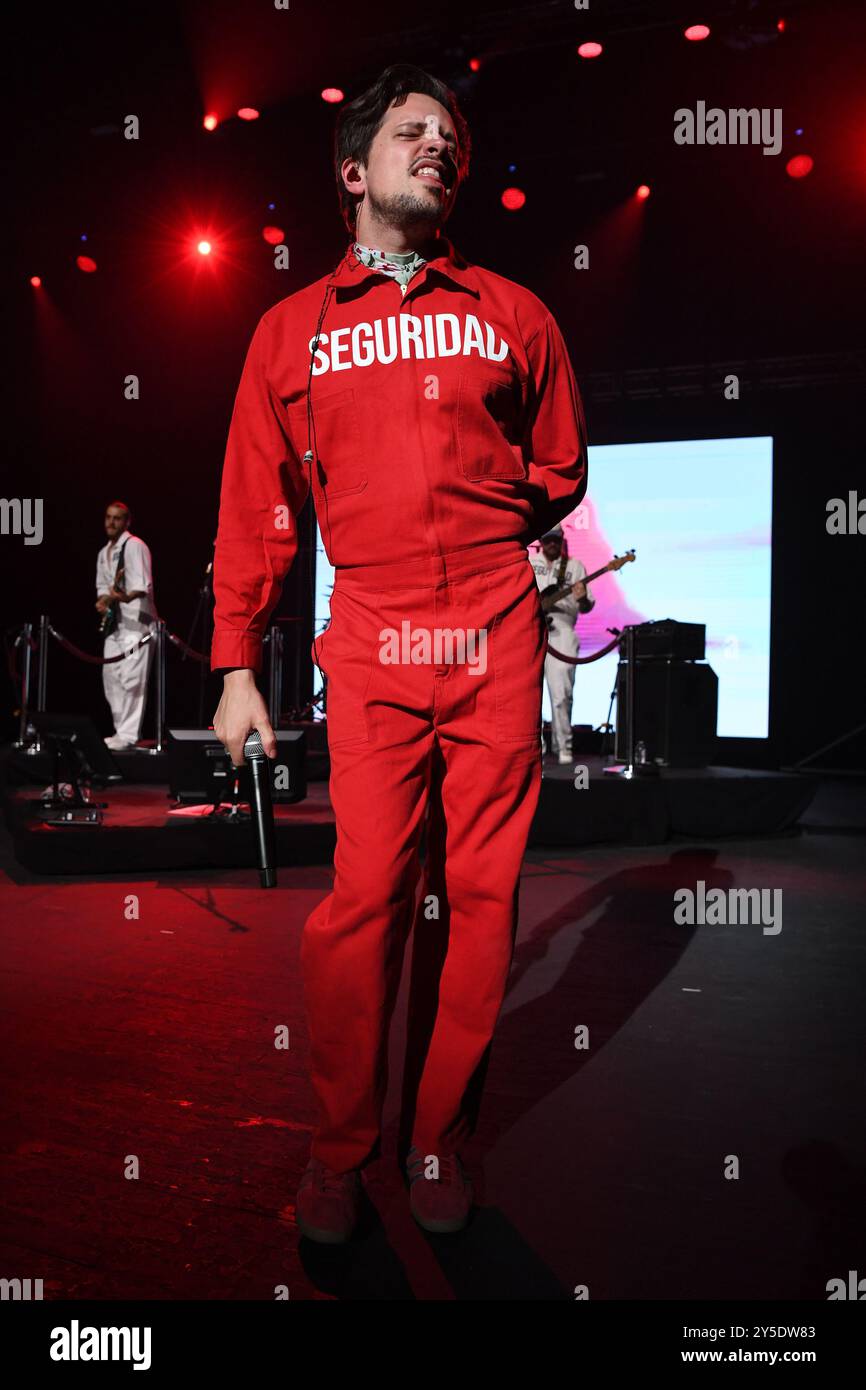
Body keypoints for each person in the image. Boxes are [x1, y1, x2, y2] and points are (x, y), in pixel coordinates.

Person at [210, 64, 588, 1243]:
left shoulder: (514, 313)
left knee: (478, 900)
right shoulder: (289, 332)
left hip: (493, 624)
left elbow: (560, 464)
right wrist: (234, 664)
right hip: (370, 630)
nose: (438, 145)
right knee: (365, 898)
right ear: (351, 170)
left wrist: (484, 523)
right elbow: (256, 507)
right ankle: (339, 1153)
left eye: (450, 136)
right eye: (411, 130)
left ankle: (438, 1143)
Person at [530, 523, 595, 765]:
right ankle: (535, 747)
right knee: (530, 695)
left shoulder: (575, 566)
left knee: (562, 693)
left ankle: (564, 746)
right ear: (540, 540)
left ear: (562, 539)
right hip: (531, 628)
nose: (552, 543)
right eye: (547, 539)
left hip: (563, 628)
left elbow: (586, 606)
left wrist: (582, 598)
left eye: (556, 539)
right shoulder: (528, 562)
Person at [95, 501, 156, 750]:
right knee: (111, 676)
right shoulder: (103, 553)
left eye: (117, 518)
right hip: (115, 624)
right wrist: (103, 602)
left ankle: (129, 735)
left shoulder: (135, 546)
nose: (111, 522)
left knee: (132, 680)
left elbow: (141, 587)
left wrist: (118, 597)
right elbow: (102, 589)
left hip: (137, 625)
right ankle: (120, 731)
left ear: (127, 521)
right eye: (108, 517)